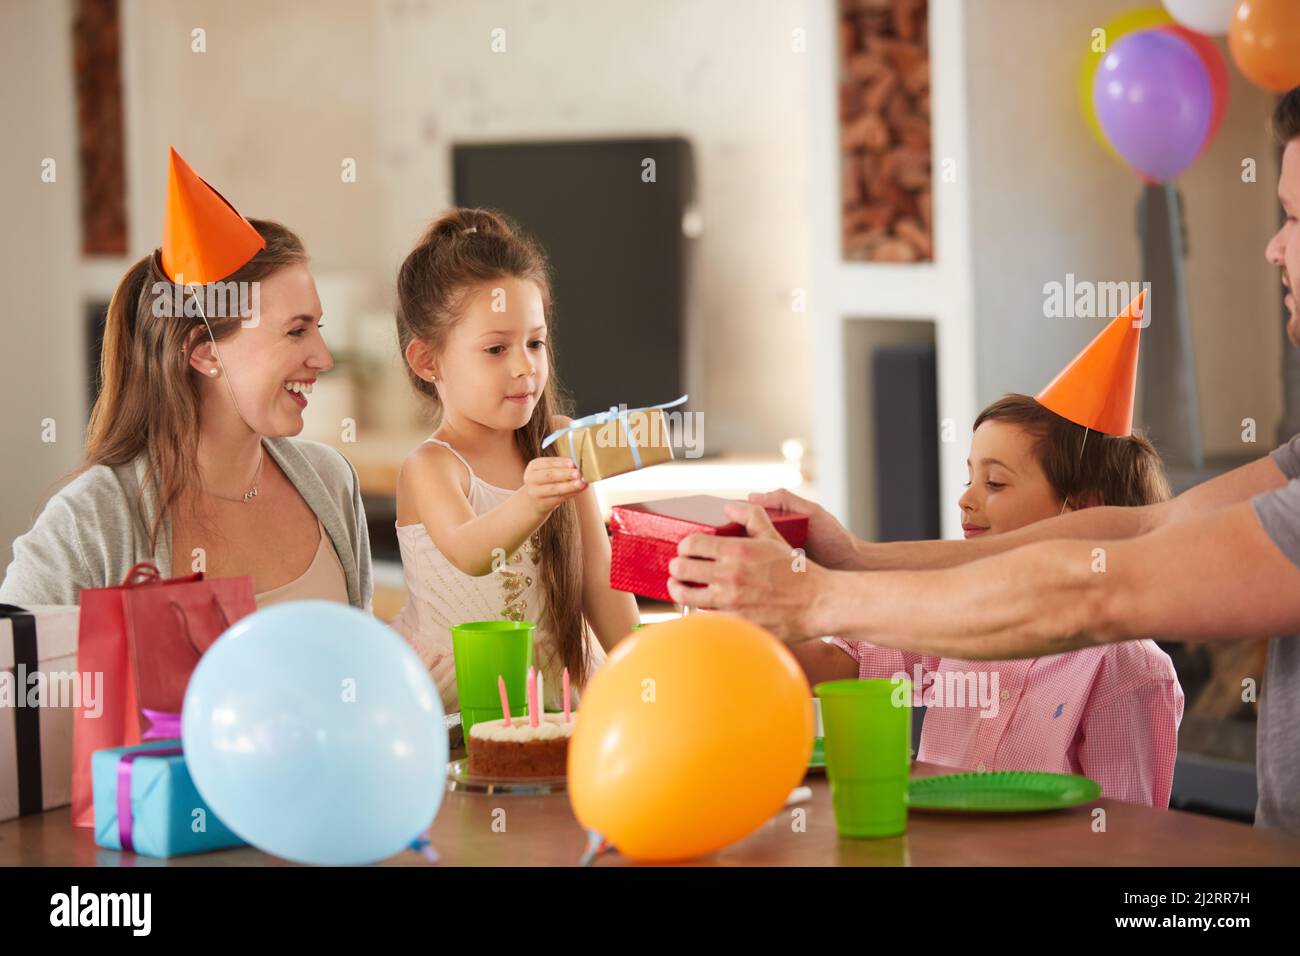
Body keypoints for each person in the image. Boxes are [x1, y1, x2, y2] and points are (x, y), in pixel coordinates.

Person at [667, 88, 1300, 835]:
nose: (1273, 246)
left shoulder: (1129, 673)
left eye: (1294, 219)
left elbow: (1097, 595)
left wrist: (813, 594)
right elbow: (1138, 530)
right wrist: (855, 562)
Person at [0, 148, 371, 610]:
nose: (323, 357)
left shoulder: (330, 484)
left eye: (319, 327)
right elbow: (16, 677)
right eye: (296, 331)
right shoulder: (88, 524)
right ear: (203, 351)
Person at [797, 393, 1183, 806]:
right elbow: (834, 670)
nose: (966, 499)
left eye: (995, 483)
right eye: (970, 480)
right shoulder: (959, 617)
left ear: (1084, 511)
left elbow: (1124, 839)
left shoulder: (1129, 668)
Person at [389, 208, 638, 711]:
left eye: (535, 343)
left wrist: (648, 670)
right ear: (427, 360)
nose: (525, 366)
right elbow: (470, 551)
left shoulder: (564, 440)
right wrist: (533, 500)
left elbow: (598, 575)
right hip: (456, 698)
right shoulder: (431, 466)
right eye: (496, 349)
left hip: (554, 684)